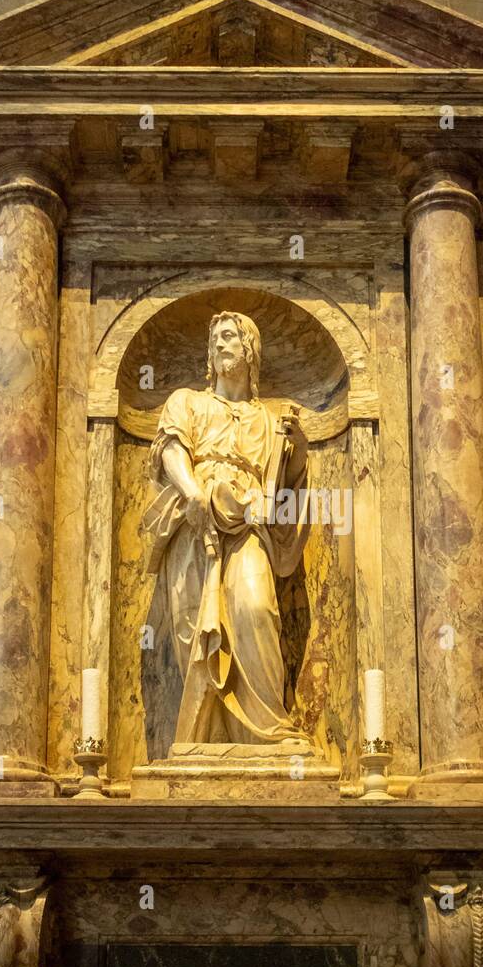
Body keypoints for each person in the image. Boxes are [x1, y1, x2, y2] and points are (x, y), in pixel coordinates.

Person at [141, 310, 312, 748]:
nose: (219, 345)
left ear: (251, 349)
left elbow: (286, 487)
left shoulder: (270, 418)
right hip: (193, 522)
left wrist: (300, 449)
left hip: (250, 522)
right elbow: (171, 449)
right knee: (193, 627)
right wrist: (193, 491)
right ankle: (206, 738)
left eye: (230, 336)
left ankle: (269, 731)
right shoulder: (187, 401)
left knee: (255, 608)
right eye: (215, 338)